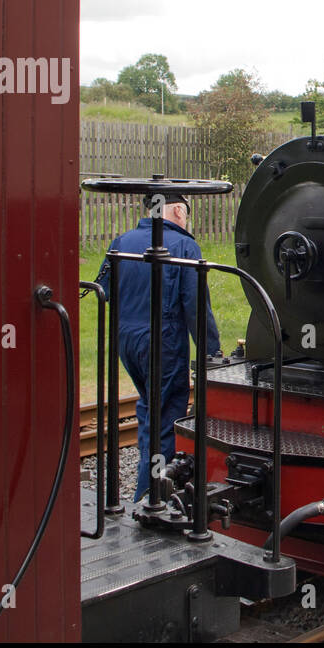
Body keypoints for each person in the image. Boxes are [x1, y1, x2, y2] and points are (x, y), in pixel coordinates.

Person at [98, 194, 220, 501]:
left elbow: (104, 290)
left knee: (150, 409)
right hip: (162, 342)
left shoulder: (121, 241)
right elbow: (195, 308)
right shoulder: (184, 247)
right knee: (165, 419)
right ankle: (150, 495)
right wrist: (213, 353)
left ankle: (149, 478)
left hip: (126, 342)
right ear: (179, 210)